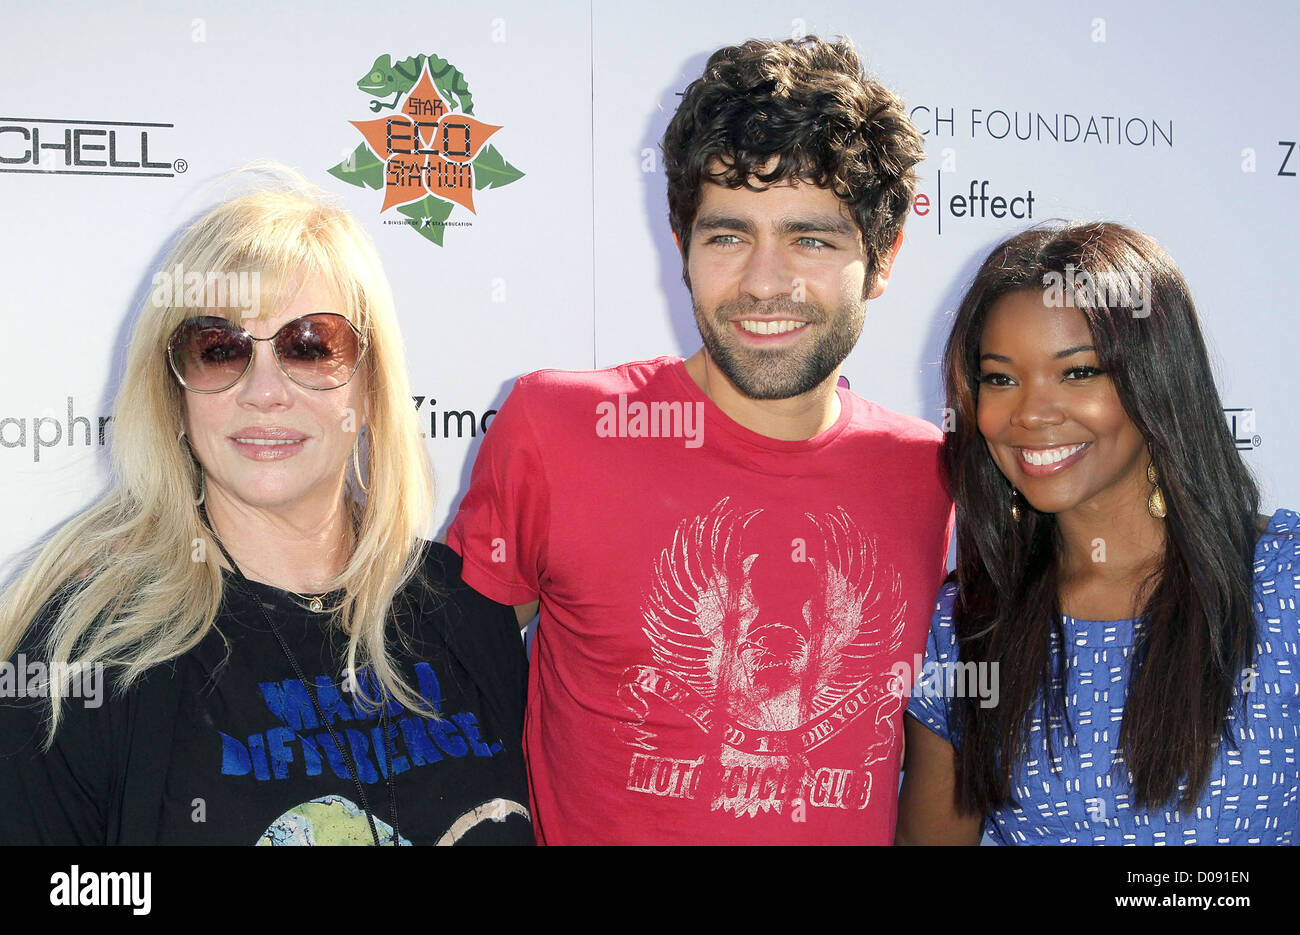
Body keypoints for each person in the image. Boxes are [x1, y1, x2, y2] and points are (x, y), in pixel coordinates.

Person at [447, 36, 952, 844]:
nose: (763, 281)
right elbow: (446, 702)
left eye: (811, 239)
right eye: (727, 235)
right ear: (680, 244)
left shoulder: (938, 475)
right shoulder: (557, 430)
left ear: (884, 256)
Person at [0, 176, 533, 845]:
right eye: (219, 348)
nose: (263, 390)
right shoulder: (84, 657)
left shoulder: (465, 610)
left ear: (370, 385)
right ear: (175, 389)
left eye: (309, 344)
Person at [896, 222, 1299, 845]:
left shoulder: (1283, 584)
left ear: (1156, 380)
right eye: (1001, 378)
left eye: (1078, 372)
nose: (1030, 412)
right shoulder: (969, 622)